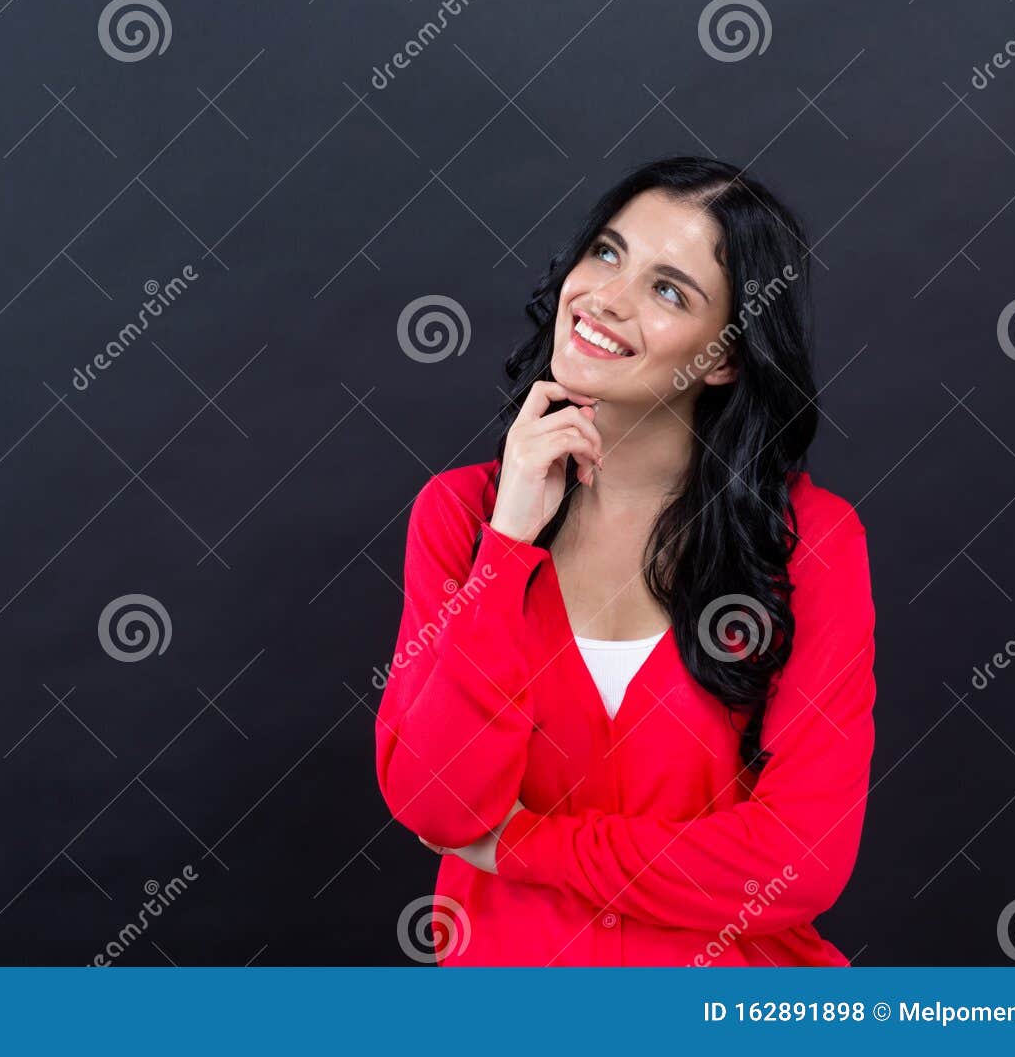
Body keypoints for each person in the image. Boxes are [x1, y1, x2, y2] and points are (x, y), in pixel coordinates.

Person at [374, 156, 876, 966]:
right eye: (607, 252)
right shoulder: (462, 515)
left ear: (723, 357)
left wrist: (521, 846)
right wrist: (508, 545)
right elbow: (438, 803)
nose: (606, 297)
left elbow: (800, 861)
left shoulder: (811, 540)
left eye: (668, 290)